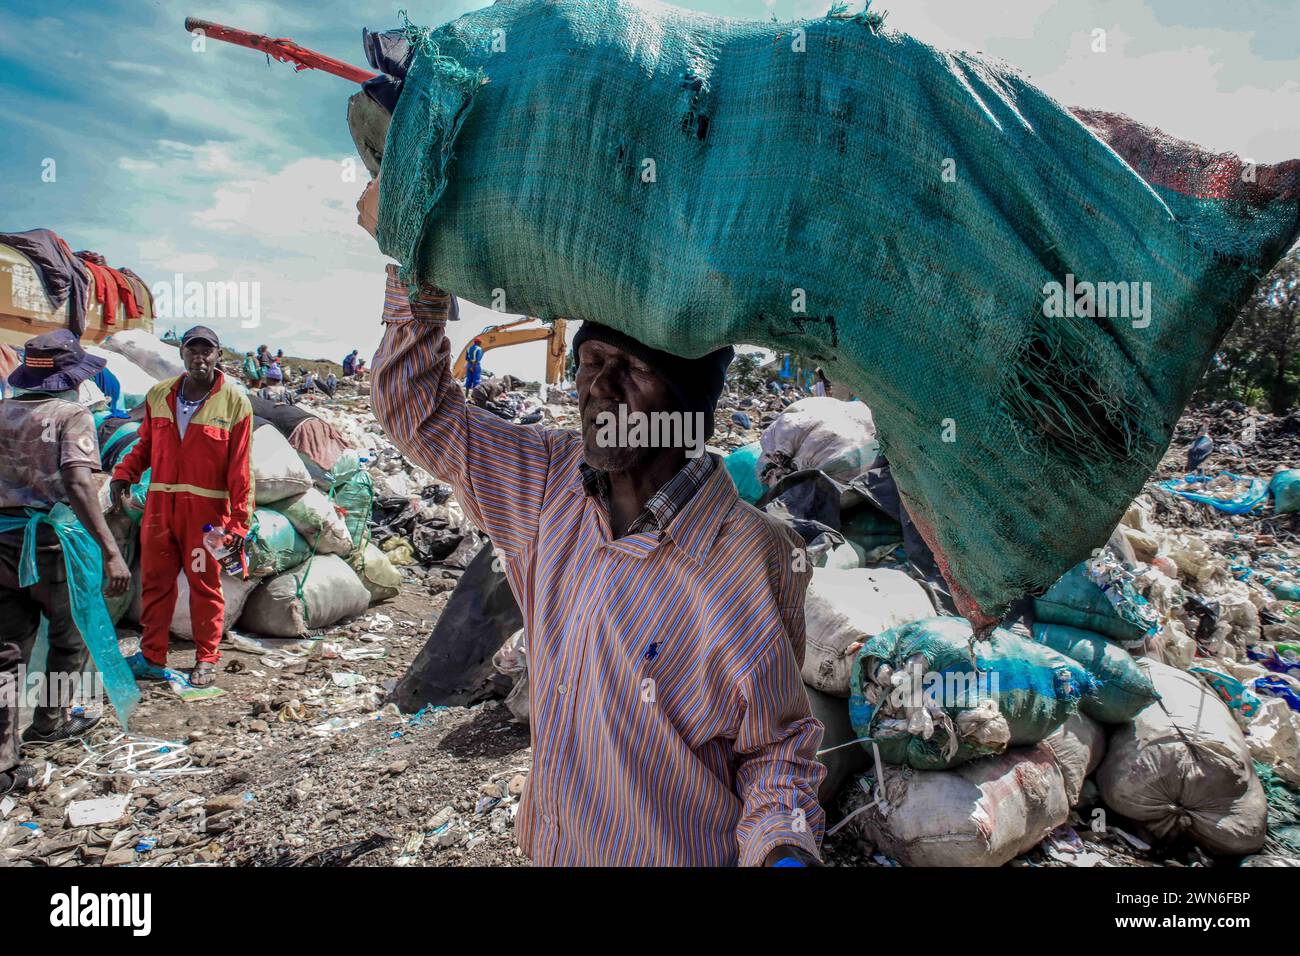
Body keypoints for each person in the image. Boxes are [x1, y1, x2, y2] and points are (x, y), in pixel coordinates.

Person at [369, 267, 825, 866]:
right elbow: (417, 411)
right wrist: (416, 267)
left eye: (634, 369)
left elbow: (774, 748)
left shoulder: (752, 554)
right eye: (590, 361)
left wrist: (783, 845)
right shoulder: (544, 482)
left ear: (688, 406)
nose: (600, 389)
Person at [1, 331, 131, 794]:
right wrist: (111, 550)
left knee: (6, 651)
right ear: (69, 379)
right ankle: (50, 722)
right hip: (51, 544)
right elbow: (78, 484)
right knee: (68, 635)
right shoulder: (71, 416)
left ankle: (3, 756)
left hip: (2, 543)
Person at [109, 326, 254, 689]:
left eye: (207, 351)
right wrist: (124, 473)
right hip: (159, 507)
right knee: (156, 584)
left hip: (206, 515)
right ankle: (152, 656)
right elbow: (144, 445)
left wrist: (238, 524)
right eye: (192, 350)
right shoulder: (159, 395)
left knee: (204, 585)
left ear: (219, 355)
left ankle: (207, 658)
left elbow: (241, 470)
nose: (199, 357)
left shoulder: (235, 402)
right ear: (182, 354)